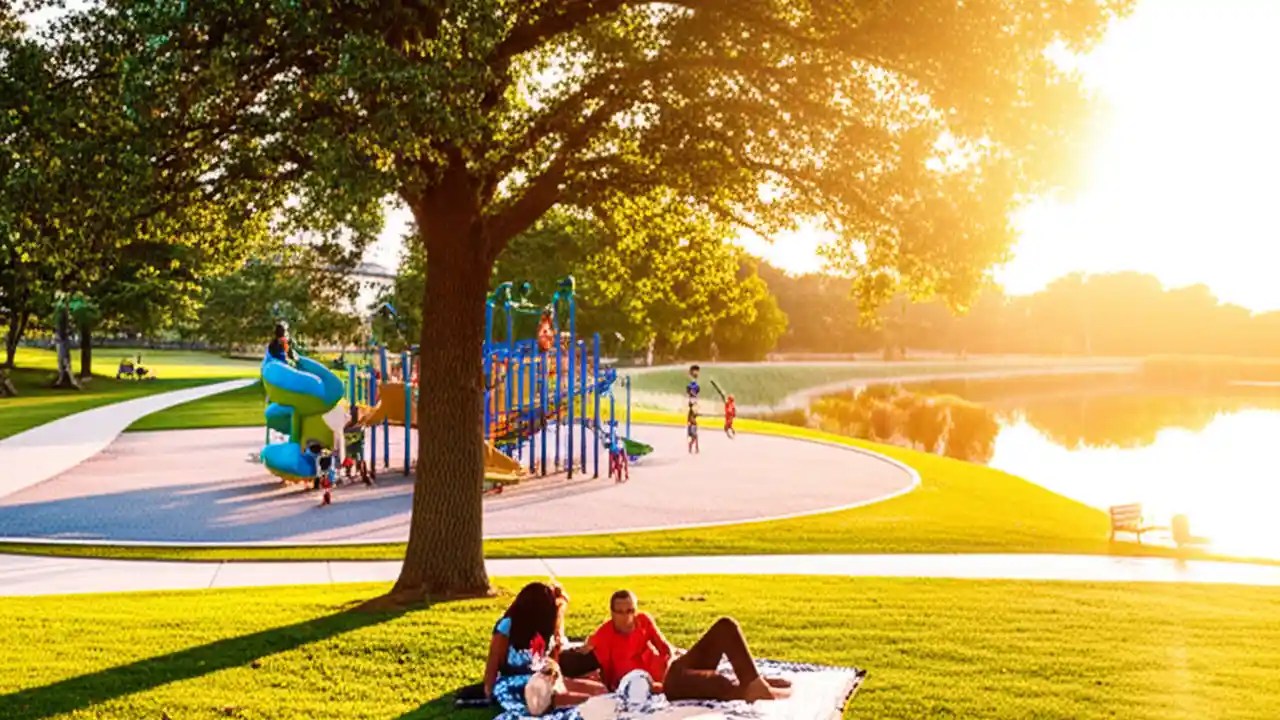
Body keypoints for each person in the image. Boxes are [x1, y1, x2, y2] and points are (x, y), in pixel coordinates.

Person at [582, 590, 789, 703]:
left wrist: (676, 655)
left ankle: (754, 682)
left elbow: (665, 647)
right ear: (611, 613)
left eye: (631, 610)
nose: (628, 617)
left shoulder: (643, 621)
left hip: (676, 670)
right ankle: (755, 689)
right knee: (719, 683)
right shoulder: (603, 637)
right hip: (670, 686)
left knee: (725, 626)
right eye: (621, 612)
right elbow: (619, 684)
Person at [483, 582, 603, 716]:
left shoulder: (544, 628)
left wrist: (558, 630)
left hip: (544, 678)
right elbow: (492, 664)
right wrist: (489, 694)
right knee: (586, 700)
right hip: (515, 683)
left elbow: (552, 663)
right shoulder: (508, 625)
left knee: (599, 690)